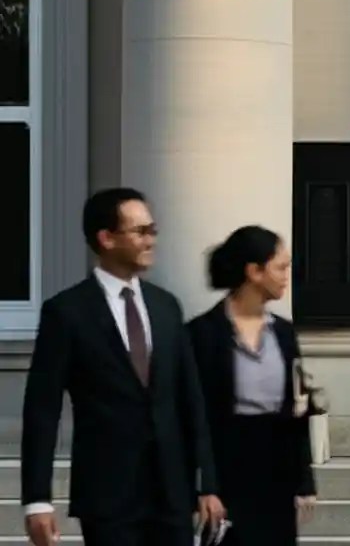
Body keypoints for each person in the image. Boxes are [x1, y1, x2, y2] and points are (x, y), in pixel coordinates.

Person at [21, 188, 225, 546]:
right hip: (108, 496)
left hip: (172, 494)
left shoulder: (166, 307)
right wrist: (37, 499)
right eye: (141, 231)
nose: (151, 240)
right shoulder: (67, 312)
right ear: (107, 238)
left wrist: (206, 483)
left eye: (153, 230)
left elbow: (191, 400)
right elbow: (42, 409)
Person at [186, 226, 317, 546]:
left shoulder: (284, 333)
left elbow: (297, 409)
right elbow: (194, 418)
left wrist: (304, 481)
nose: (286, 276)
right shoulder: (202, 334)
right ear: (254, 271)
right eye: (280, 267)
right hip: (227, 471)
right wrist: (204, 487)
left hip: (276, 473)